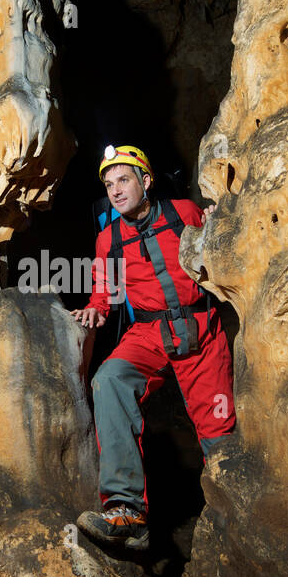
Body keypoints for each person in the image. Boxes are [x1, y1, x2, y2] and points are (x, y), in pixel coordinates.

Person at [71, 143, 236, 553]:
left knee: (220, 432)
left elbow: (223, 249)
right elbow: (102, 294)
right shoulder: (109, 238)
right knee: (109, 379)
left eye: (123, 180)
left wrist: (222, 223)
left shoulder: (184, 213)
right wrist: (94, 311)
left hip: (200, 331)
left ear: (145, 181)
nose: (115, 190)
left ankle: (237, 515)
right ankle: (126, 512)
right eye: (109, 184)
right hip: (148, 336)